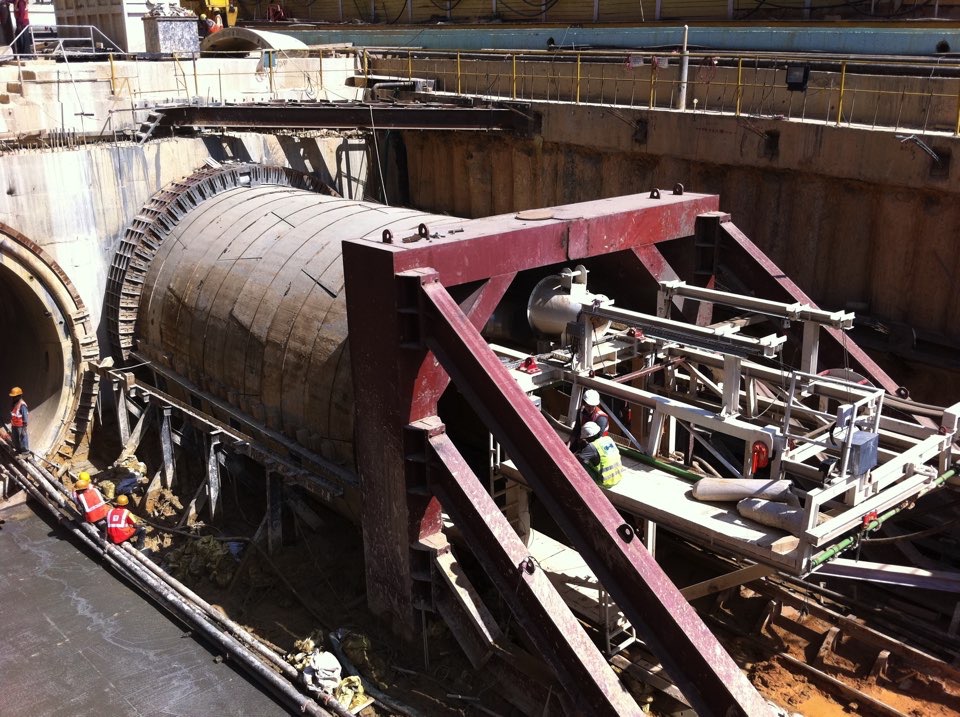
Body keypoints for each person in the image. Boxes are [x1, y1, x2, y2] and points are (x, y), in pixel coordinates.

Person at [576, 421, 623, 488]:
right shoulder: (608, 439)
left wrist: (580, 449)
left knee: (583, 463)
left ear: (589, 437)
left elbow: (576, 460)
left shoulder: (592, 447)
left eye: (586, 438)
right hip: (618, 477)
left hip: (605, 481)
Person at [569, 388, 609, 453]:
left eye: (593, 406)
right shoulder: (581, 412)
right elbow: (576, 430)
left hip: (597, 445)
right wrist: (568, 445)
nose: (590, 409)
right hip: (583, 439)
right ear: (584, 403)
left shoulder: (601, 418)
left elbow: (597, 438)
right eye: (588, 406)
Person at [9, 386, 28, 454]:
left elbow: (25, 416)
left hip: (21, 425)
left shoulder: (22, 405)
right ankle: (18, 450)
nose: (13, 398)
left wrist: (24, 427)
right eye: (12, 396)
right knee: (15, 438)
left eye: (14, 396)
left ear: (19, 396)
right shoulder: (14, 403)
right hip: (14, 425)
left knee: (23, 438)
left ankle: (25, 452)